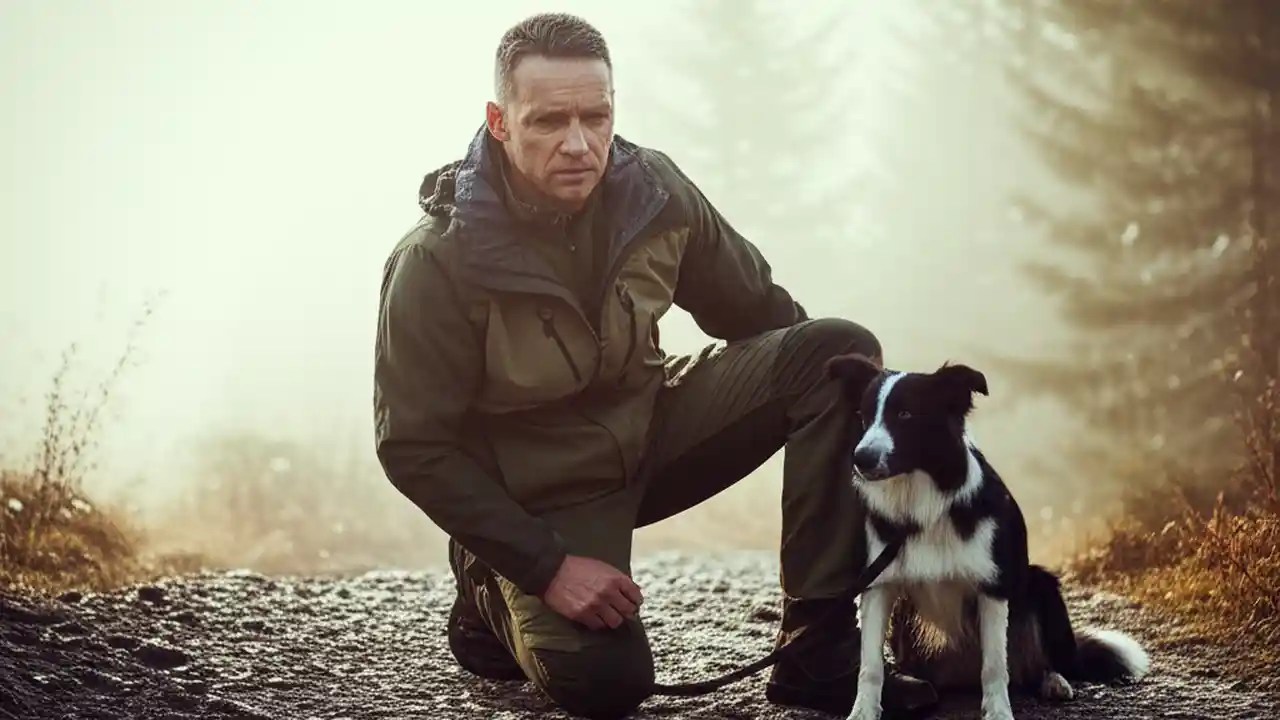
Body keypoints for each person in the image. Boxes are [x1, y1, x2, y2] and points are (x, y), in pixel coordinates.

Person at [373, 12, 938, 720]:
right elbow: (414, 448)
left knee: (835, 356)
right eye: (548, 121)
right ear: (499, 121)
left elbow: (766, 318)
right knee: (607, 686)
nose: (578, 143)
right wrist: (548, 569)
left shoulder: (655, 194)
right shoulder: (434, 261)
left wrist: (881, 420)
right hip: (541, 494)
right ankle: (488, 590)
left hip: (652, 430)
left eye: (595, 117)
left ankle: (817, 656)